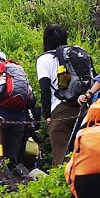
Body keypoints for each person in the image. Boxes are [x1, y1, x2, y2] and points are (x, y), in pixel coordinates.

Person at [37, 26, 89, 168]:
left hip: (60, 111)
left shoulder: (44, 59)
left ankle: (65, 181)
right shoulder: (75, 56)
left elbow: (45, 88)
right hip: (84, 109)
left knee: (62, 160)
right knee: (84, 157)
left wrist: (47, 115)